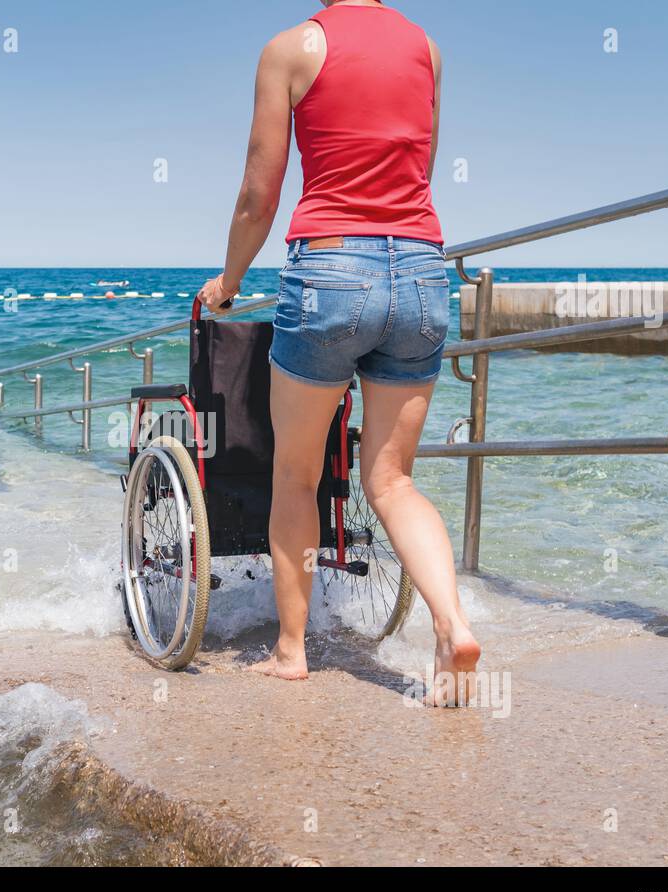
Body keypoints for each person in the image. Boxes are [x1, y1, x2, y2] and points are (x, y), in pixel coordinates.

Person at [197, 0, 479, 704]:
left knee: (295, 475)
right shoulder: (426, 49)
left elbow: (258, 194)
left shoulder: (291, 49)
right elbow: (420, 172)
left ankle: (292, 651)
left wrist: (228, 282)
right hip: (419, 269)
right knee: (392, 482)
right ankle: (452, 625)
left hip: (330, 269)